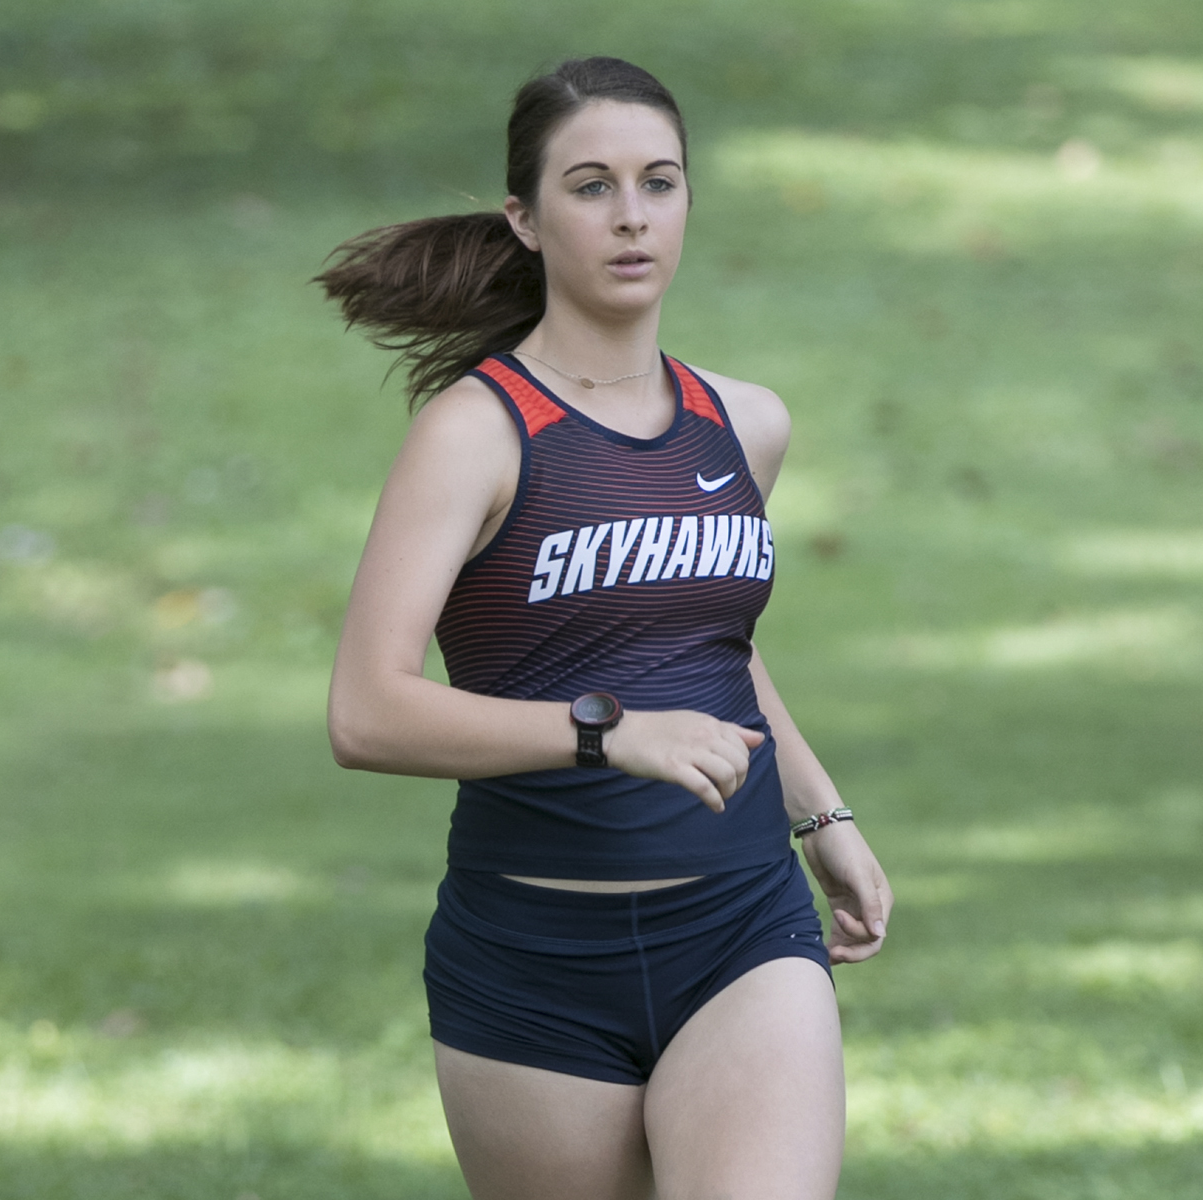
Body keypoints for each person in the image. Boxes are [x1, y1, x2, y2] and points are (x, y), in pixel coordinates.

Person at [317, 56, 893, 1200]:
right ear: (525, 220)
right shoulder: (476, 435)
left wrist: (820, 812)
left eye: (660, 183)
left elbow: (708, 647)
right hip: (533, 963)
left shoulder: (747, 423)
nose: (632, 217)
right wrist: (606, 732)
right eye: (591, 187)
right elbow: (365, 712)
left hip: (742, 928)